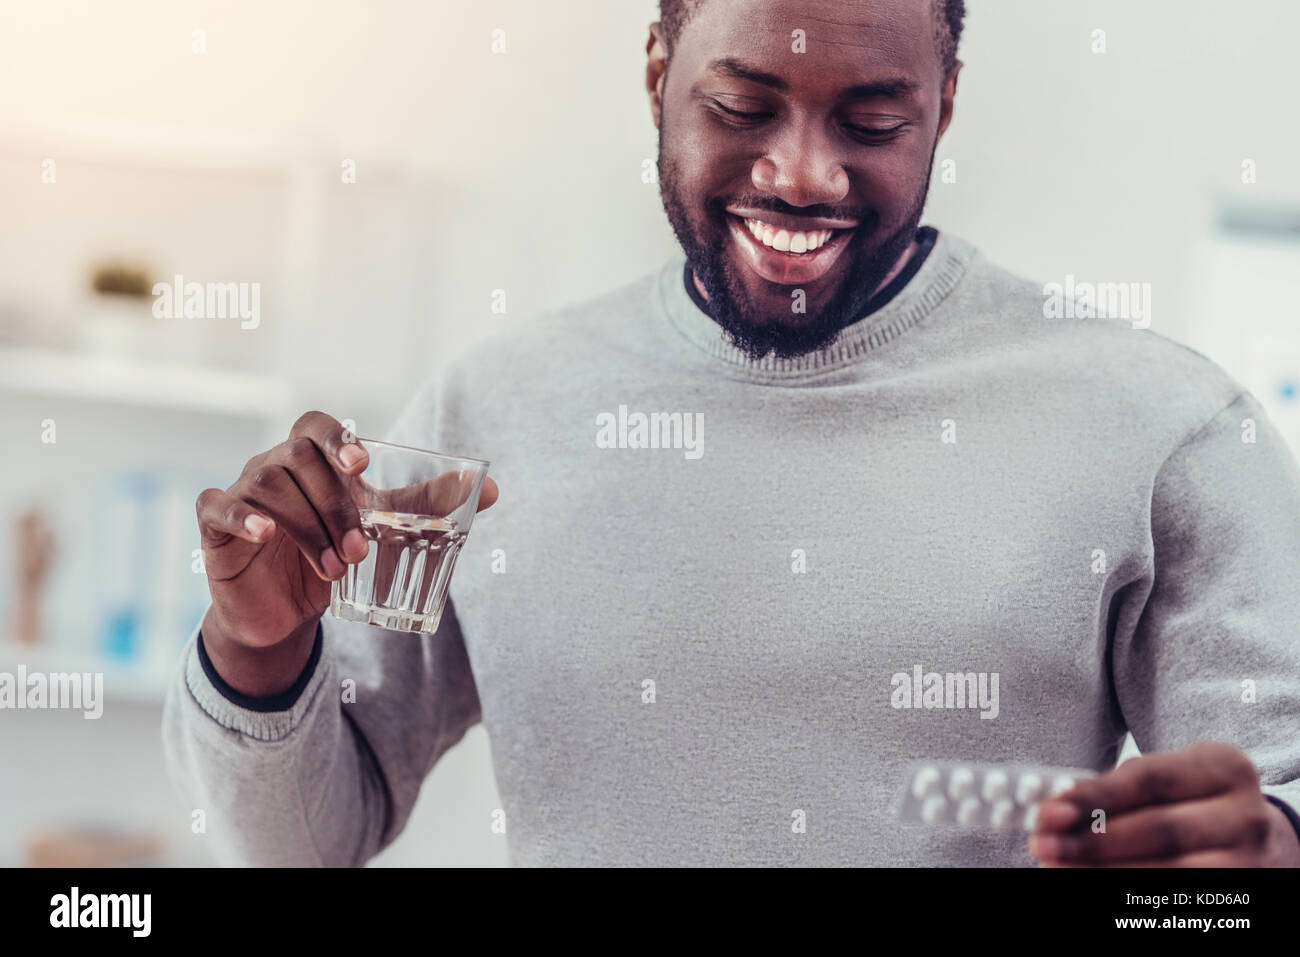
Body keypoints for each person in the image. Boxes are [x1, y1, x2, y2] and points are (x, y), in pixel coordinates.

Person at [162, 0, 1300, 866]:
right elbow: (302, 842)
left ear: (945, 102)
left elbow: (1271, 812)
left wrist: (1243, 861)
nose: (800, 174)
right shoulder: (493, 411)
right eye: (741, 107)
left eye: (873, 120)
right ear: (658, 73)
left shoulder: (1159, 428)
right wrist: (259, 650)